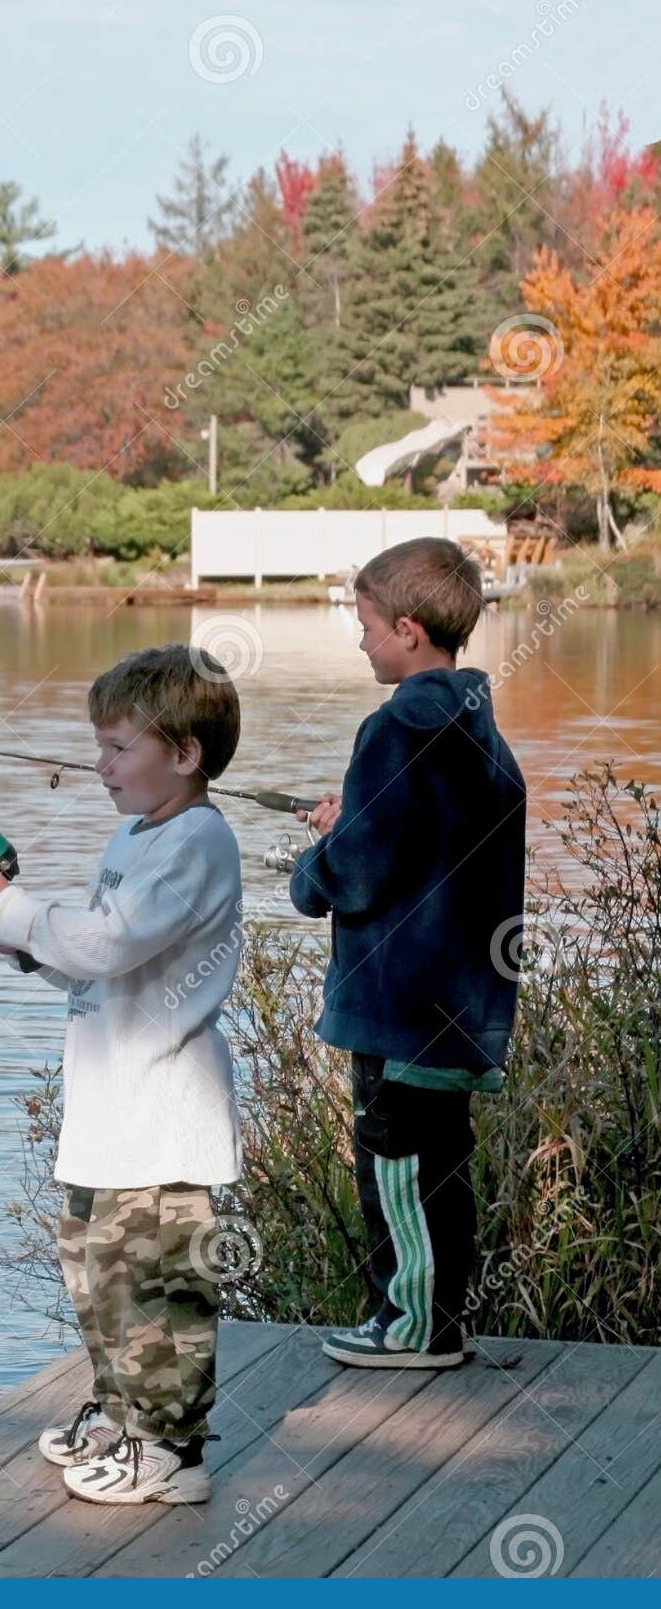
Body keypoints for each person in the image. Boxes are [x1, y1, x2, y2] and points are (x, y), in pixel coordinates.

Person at [0, 643, 243, 1504]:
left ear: (183, 755)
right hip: (108, 1117)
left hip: (162, 1117)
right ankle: (124, 1420)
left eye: (119, 748)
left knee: (157, 1289)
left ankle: (174, 1455)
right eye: (100, 745)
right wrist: (20, 940)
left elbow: (108, 941)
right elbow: (96, 959)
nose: (100, 766)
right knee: (99, 1280)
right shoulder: (134, 835)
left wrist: (8, 907)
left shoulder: (196, 842)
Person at [289, 538, 526, 1369]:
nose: (359, 643)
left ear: (408, 629)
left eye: (364, 627)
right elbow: (427, 843)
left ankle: (412, 1327)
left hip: (401, 1009)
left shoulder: (393, 728)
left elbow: (354, 877)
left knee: (393, 1166)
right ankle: (430, 1320)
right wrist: (349, 814)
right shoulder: (476, 729)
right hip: (460, 1004)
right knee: (440, 1170)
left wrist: (310, 865)